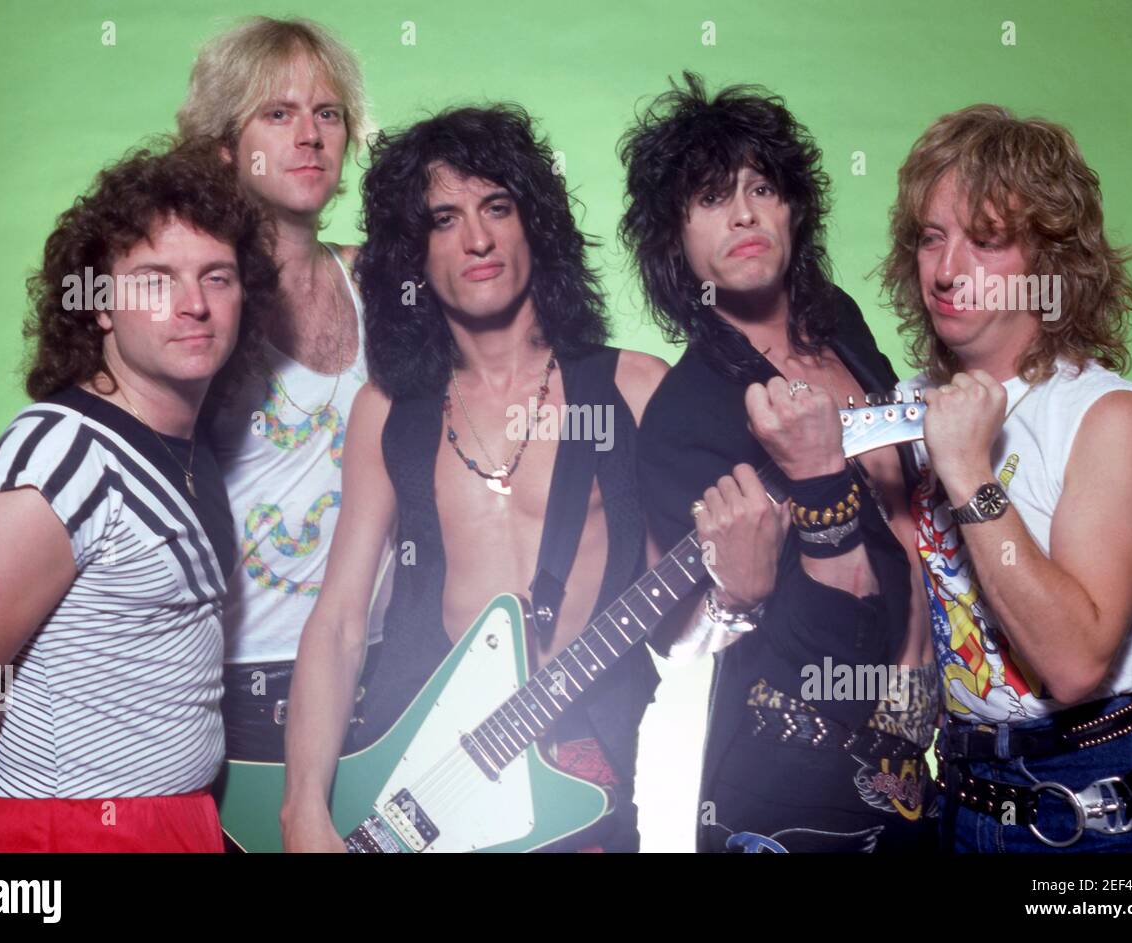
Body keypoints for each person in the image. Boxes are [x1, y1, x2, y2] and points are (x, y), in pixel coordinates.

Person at [279, 104, 668, 852]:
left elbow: (686, 623)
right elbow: (339, 621)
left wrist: (737, 600)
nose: (477, 240)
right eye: (444, 219)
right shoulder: (387, 411)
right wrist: (302, 810)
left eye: (497, 207)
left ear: (535, 225)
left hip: (582, 777)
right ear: (414, 254)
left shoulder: (635, 389)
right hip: (417, 783)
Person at [0, 140, 276, 851]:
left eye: (217, 276)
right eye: (155, 280)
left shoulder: (194, 449)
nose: (194, 304)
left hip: (179, 825)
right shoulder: (60, 453)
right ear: (100, 305)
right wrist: (29, 793)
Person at [626, 73, 939, 852]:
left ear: (794, 207)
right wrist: (740, 589)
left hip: (904, 758)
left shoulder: (838, 320)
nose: (744, 214)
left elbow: (907, 514)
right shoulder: (685, 416)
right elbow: (778, 645)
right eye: (711, 198)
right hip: (788, 776)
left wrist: (916, 685)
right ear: (673, 241)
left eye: (761, 187)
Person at [880, 104, 1132, 851]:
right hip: (957, 796)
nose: (947, 270)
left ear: (1049, 264)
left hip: (1088, 807)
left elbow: (1075, 663)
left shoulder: (1110, 417)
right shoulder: (904, 406)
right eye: (931, 237)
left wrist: (966, 467)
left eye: (985, 240)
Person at [176, 15, 390, 767]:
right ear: (223, 147)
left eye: (327, 113)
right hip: (238, 680)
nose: (309, 136)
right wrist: (22, 775)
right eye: (278, 113)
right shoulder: (191, 308)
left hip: (385, 669)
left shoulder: (381, 284)